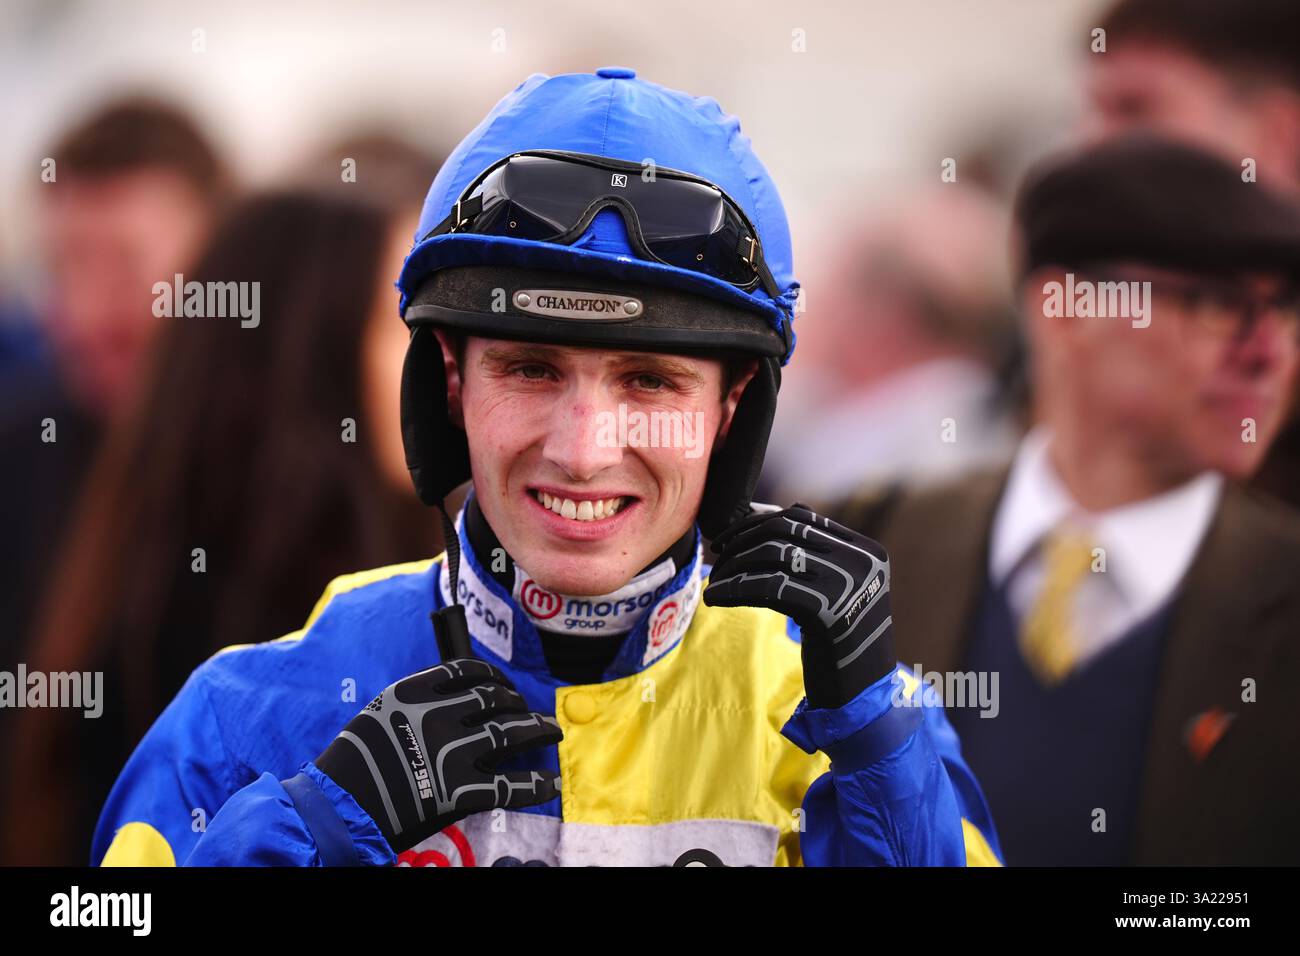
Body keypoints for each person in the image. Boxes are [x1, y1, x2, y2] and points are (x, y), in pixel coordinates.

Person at [91, 68, 1001, 867]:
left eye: (649, 381)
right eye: (530, 369)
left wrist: (884, 759)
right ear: (450, 381)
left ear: (732, 413)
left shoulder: (849, 726)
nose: (583, 449)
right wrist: (313, 835)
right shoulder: (245, 717)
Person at [834, 134, 1300, 865]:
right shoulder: (862, 548)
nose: (1268, 352)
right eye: (1218, 305)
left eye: (1285, 308)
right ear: (1064, 306)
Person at [4, 191, 439, 865]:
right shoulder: (219, 643)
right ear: (309, 357)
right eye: (403, 325)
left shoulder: (137, 567)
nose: (441, 366)